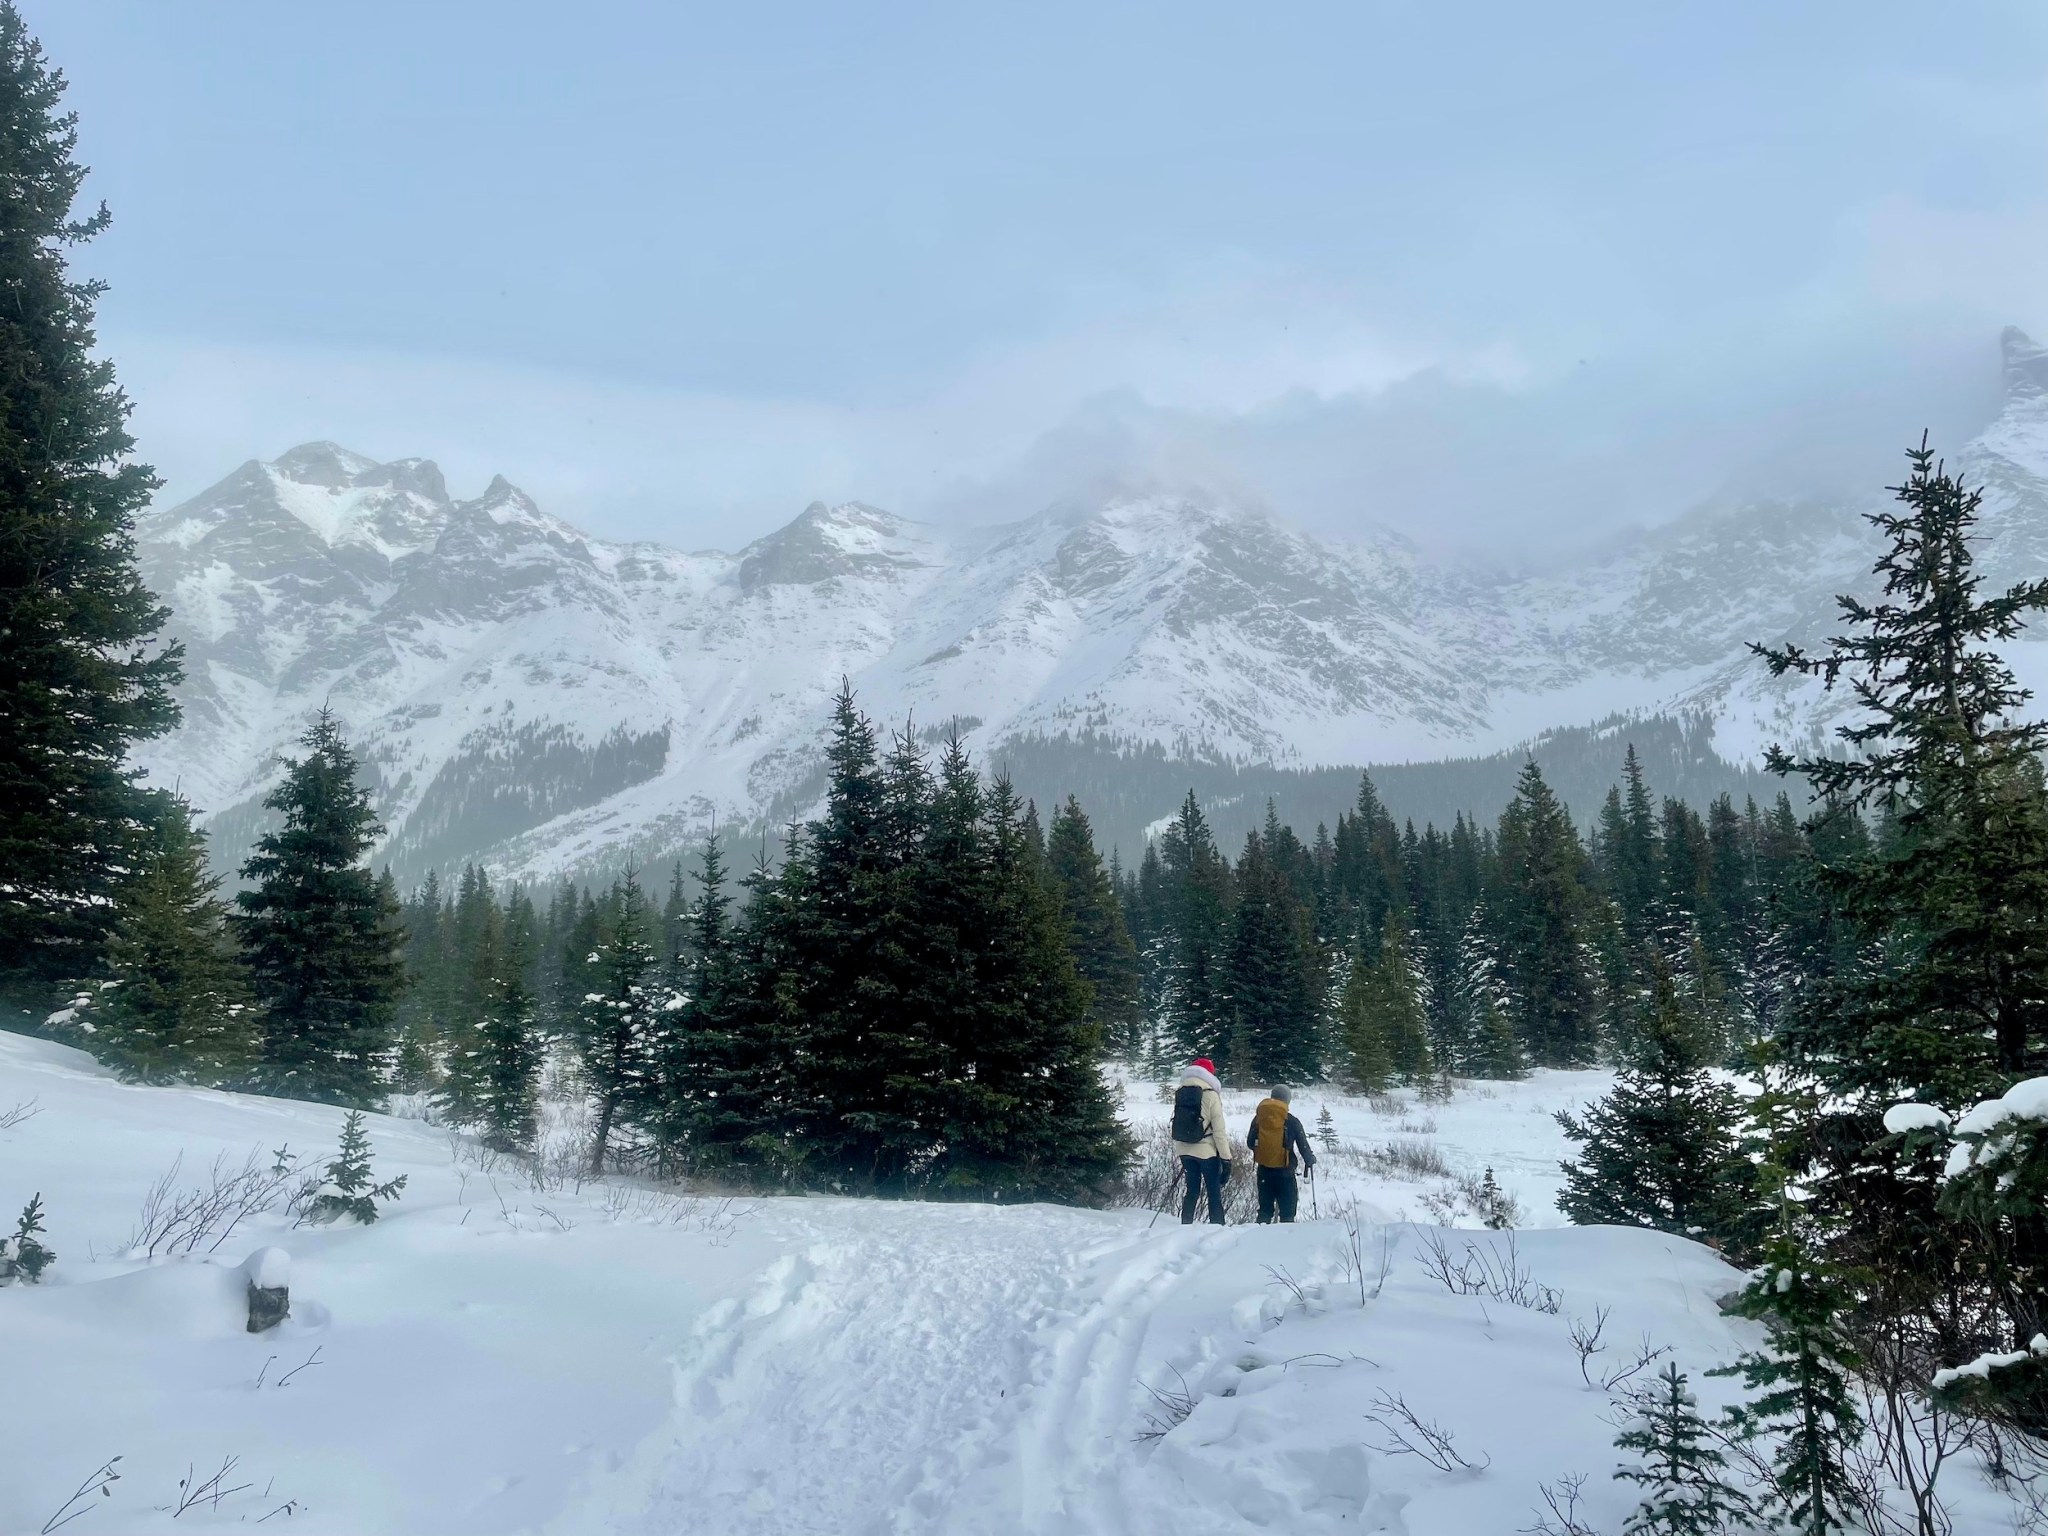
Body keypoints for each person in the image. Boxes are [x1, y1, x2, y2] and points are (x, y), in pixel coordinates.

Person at [1170, 1056, 1231, 1224]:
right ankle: (1217, 1228)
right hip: (1206, 1152)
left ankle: (1186, 1225)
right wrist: (1226, 1159)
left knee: (1192, 1191)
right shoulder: (1211, 1095)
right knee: (1213, 1192)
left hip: (1184, 1149)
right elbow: (1219, 1131)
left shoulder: (1181, 1092)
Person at [1247, 1085, 1316, 1224]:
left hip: (1264, 1172)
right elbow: (1303, 1146)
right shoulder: (1291, 1121)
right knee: (1287, 1213)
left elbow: (1250, 1142)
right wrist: (1310, 1159)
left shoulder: (1259, 1118)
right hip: (1285, 1173)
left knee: (1265, 1211)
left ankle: (1257, 1240)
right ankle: (1285, 1242)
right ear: (1287, 1101)